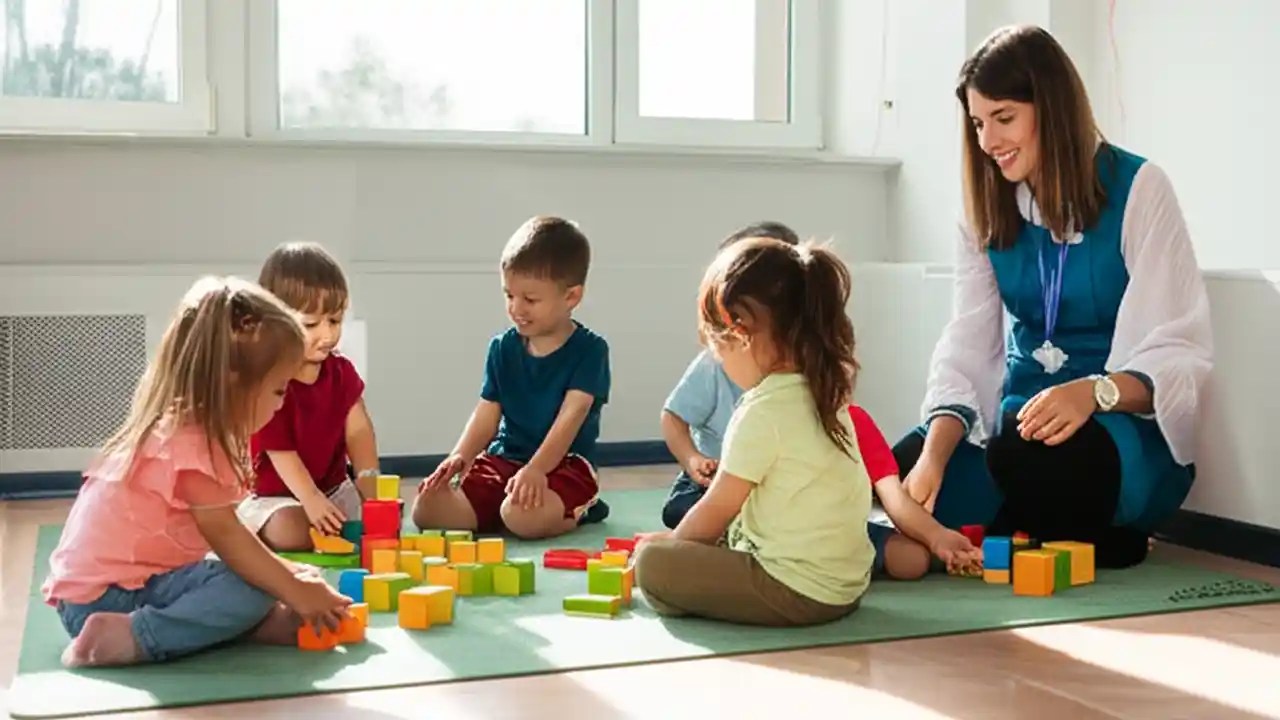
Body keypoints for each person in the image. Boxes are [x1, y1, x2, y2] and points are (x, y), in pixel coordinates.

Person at [892, 25, 1212, 569]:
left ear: (1052, 108)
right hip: (1016, 424)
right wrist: (933, 454)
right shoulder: (982, 206)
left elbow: (1176, 348)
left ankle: (1021, 530)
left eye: (1004, 118)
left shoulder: (1139, 187)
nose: (988, 142)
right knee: (891, 474)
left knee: (1032, 461)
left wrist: (1092, 394)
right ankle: (1053, 537)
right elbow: (968, 344)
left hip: (1112, 425)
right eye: (978, 123)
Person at [41, 277, 352, 668]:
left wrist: (290, 576)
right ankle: (131, 637)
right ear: (233, 383)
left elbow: (222, 542)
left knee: (265, 578)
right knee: (253, 589)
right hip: (106, 599)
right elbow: (228, 537)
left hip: (122, 586)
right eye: (278, 389)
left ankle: (245, 626)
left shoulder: (186, 429)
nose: (282, 401)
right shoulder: (192, 445)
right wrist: (292, 588)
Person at [636, 237, 932, 627]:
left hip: (794, 591)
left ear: (740, 334)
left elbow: (715, 511)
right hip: (846, 588)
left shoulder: (761, 411)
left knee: (653, 564)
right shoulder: (828, 396)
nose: (721, 363)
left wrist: (676, 548)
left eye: (719, 350)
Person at [412, 216, 611, 539]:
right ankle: (498, 509)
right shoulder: (502, 348)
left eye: (530, 300)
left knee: (521, 518)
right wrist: (459, 457)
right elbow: (487, 413)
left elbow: (571, 417)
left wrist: (536, 470)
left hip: (565, 465)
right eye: (509, 295)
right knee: (427, 509)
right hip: (505, 458)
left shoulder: (590, 350)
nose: (516, 308)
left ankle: (579, 509)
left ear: (571, 297)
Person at [236, 242, 381, 551]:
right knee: (293, 532)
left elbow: (358, 430)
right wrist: (310, 499)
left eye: (335, 321)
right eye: (311, 324)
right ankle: (253, 528)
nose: (327, 335)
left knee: (364, 522)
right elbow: (281, 451)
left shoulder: (341, 372)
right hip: (277, 497)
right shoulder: (270, 382)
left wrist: (371, 483)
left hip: (332, 489)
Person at [660, 221, 801, 529]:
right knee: (681, 510)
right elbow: (672, 417)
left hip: (776, 486)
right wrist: (693, 459)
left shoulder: (806, 369)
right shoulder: (715, 362)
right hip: (715, 479)